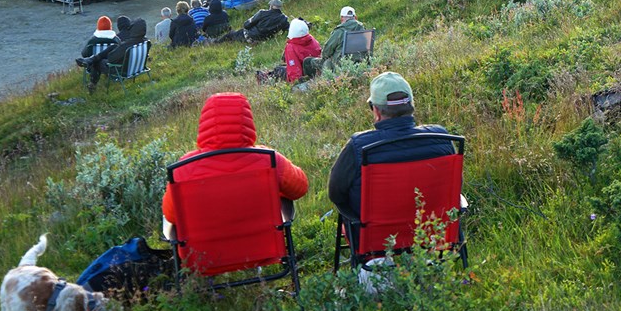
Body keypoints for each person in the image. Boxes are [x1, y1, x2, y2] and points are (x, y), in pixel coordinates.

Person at [161, 93, 308, 236]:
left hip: (204, 253)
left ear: (204, 123)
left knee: (172, 216)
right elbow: (300, 188)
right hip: (261, 247)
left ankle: (181, 258)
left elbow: (170, 216)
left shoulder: (183, 168)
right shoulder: (269, 159)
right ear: (247, 121)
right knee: (282, 193)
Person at [327, 72, 454, 230]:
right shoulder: (441, 137)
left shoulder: (359, 146)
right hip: (433, 232)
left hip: (375, 237)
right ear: (411, 106)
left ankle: (375, 255)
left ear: (377, 111)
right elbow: (454, 187)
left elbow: (336, 193)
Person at [214, 0, 288, 44]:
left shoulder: (262, 13)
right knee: (233, 38)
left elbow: (247, 24)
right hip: (264, 40)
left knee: (231, 34)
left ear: (271, 6)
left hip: (250, 36)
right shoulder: (284, 19)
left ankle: (215, 43)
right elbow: (287, 31)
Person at [321, 6, 367, 73]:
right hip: (361, 62)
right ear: (356, 18)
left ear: (342, 18)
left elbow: (327, 51)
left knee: (308, 61)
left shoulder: (340, 31)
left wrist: (325, 57)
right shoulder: (363, 30)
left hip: (341, 66)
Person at [284, 18, 323, 83]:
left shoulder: (291, 47)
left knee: (278, 71)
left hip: (304, 77)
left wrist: (296, 83)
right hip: (316, 72)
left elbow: (294, 71)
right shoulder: (312, 40)